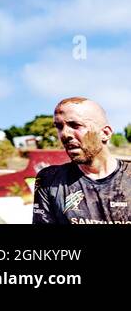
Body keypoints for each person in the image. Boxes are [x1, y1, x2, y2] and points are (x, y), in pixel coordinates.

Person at [32, 96, 131, 224]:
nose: (65, 134)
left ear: (105, 133)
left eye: (75, 125)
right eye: (59, 126)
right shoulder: (50, 181)